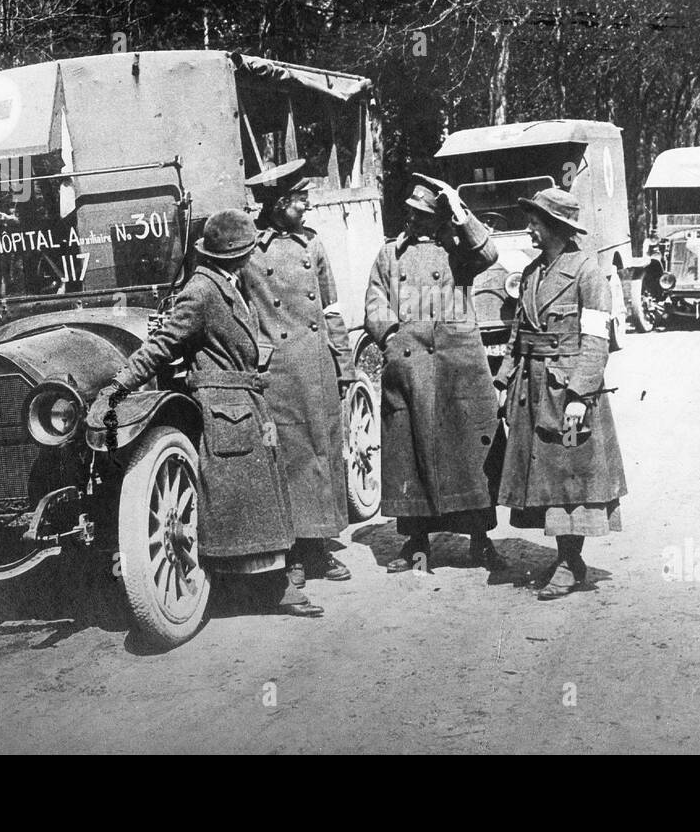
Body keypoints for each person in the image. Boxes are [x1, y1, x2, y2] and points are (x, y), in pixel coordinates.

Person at [100, 209, 323, 617]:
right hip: (225, 407)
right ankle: (270, 591)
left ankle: (272, 587)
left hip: (242, 402)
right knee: (243, 504)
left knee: (260, 501)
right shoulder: (201, 291)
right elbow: (164, 344)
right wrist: (119, 386)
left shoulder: (227, 284)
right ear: (235, 256)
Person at [364, 174, 506, 573]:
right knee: (411, 454)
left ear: (439, 219)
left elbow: (489, 253)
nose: (414, 220)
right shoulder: (390, 254)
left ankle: (480, 540)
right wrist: (392, 337)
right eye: (410, 212)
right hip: (411, 367)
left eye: (424, 215)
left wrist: (460, 210)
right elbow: (375, 299)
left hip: (456, 366)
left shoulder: (458, 248)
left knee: (469, 453)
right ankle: (416, 543)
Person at [494, 187, 627, 600]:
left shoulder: (588, 271)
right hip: (532, 391)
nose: (529, 228)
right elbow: (519, 335)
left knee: (571, 476)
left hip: (568, 392)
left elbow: (596, 339)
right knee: (548, 476)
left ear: (555, 227)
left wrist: (579, 395)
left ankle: (570, 563)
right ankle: (568, 558)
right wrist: (506, 381)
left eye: (535, 222)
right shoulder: (533, 272)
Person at [240, 158, 352, 591]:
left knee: (322, 455)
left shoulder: (313, 244)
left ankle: (317, 547)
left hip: (317, 365)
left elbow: (330, 309)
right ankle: (290, 556)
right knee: (287, 459)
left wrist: (343, 364)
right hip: (279, 370)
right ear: (279, 202)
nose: (307, 205)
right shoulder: (250, 249)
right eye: (300, 198)